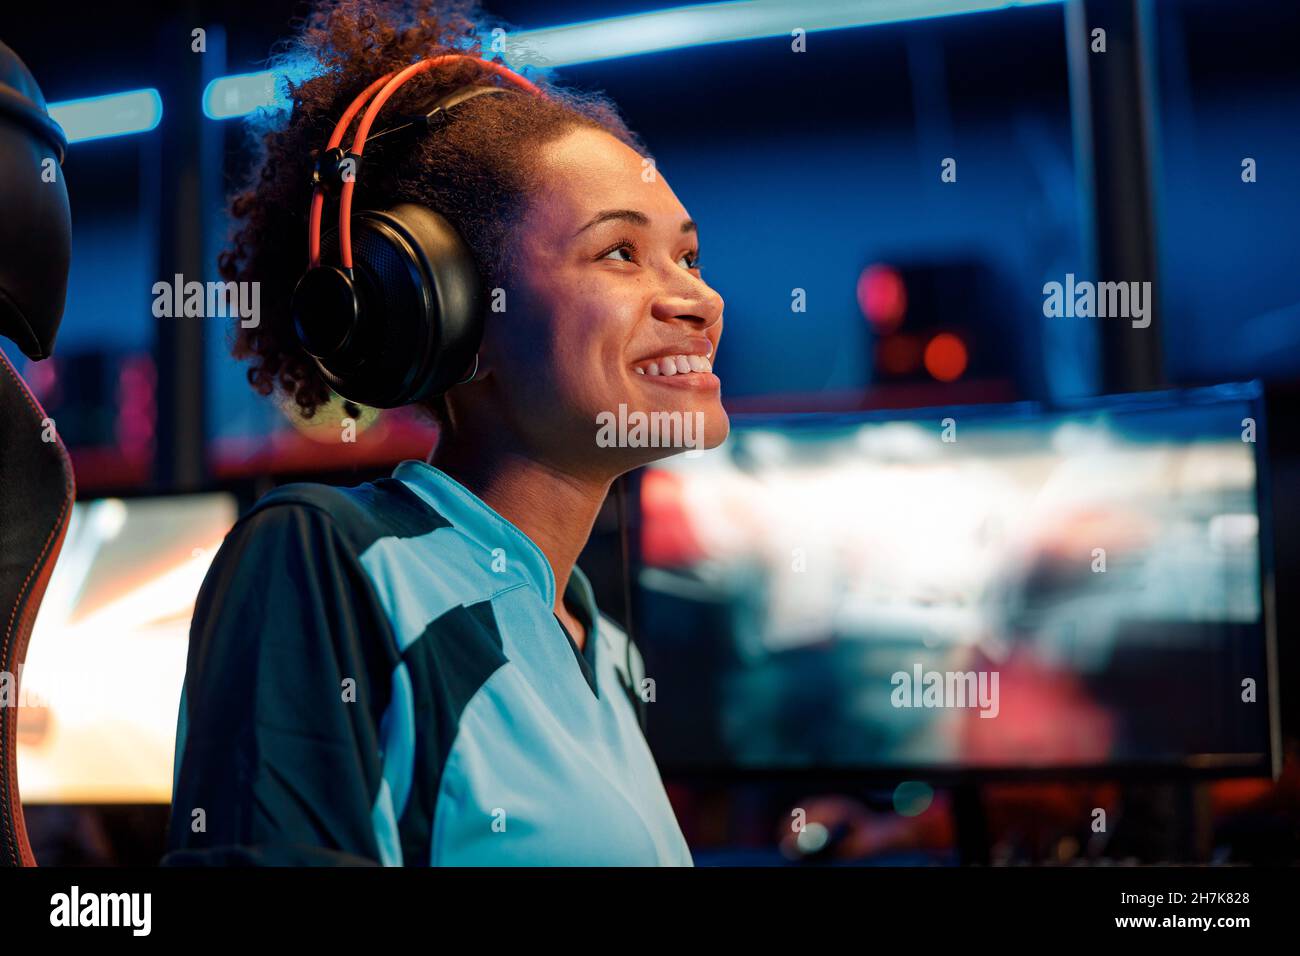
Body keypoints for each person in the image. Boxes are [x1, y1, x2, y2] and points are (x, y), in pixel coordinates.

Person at [162, 0, 726, 866]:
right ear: (453, 308)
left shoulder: (602, 645)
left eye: (686, 256)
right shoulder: (326, 561)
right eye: (619, 253)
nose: (697, 299)